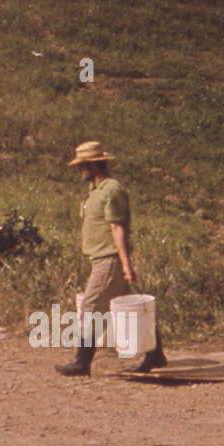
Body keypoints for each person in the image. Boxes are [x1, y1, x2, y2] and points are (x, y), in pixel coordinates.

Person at [55, 140, 168, 377]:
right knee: (131, 305)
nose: (79, 171)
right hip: (101, 258)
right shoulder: (97, 190)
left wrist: (126, 265)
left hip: (109, 259)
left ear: (92, 165)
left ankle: (82, 361)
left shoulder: (112, 190)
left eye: (81, 166)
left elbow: (117, 228)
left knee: (91, 306)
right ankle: (155, 353)